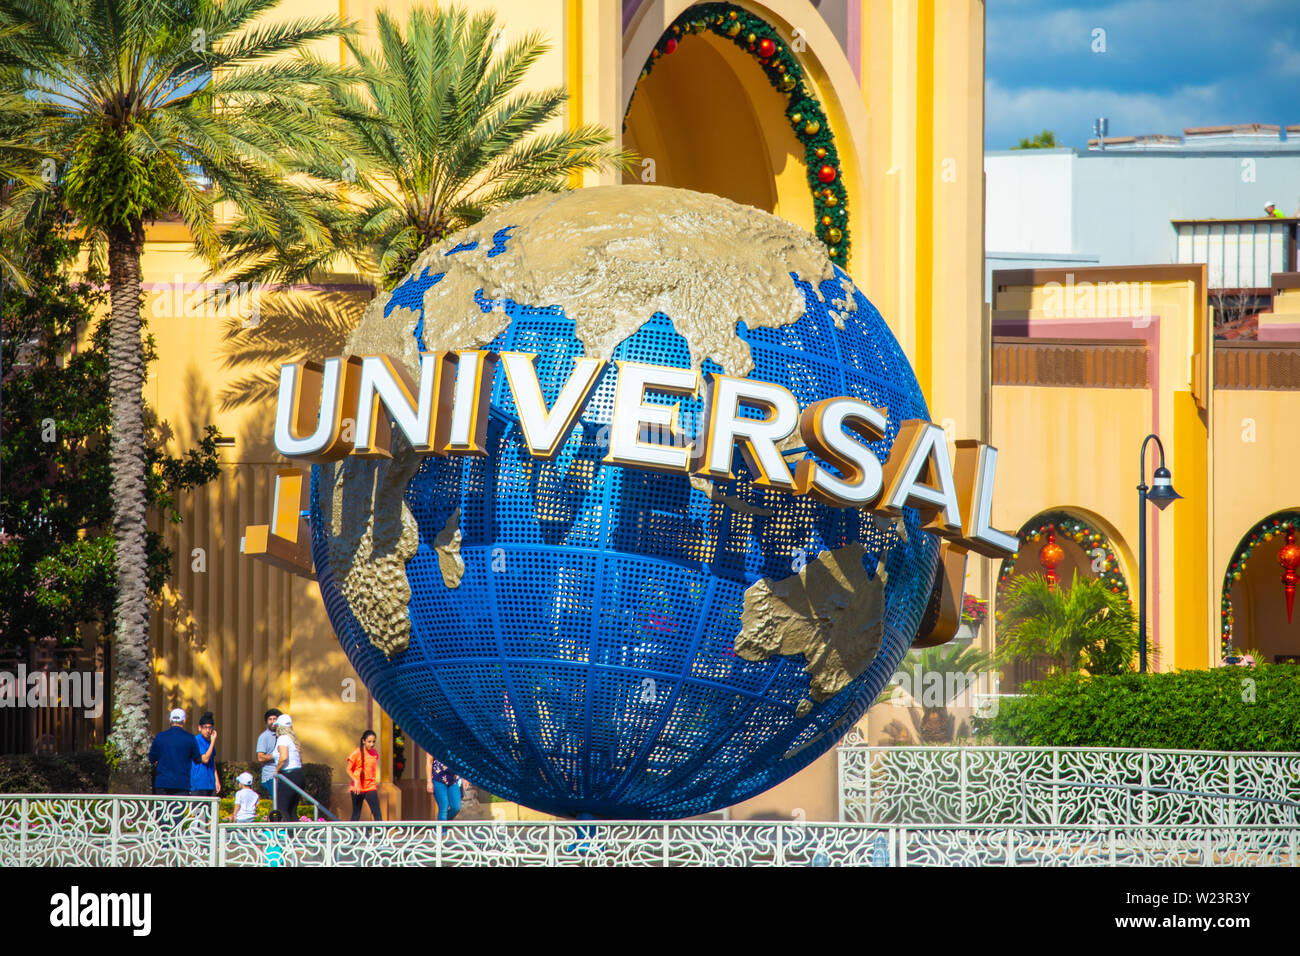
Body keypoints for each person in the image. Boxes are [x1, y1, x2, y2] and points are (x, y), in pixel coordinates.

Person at [148, 708, 202, 795]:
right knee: (179, 808)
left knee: (162, 808)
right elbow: (197, 759)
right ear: (184, 720)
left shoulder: (160, 737)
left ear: (170, 720)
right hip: (182, 784)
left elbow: (151, 758)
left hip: (162, 783)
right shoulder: (190, 738)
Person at [272, 713, 306, 820]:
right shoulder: (292, 740)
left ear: (279, 727)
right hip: (298, 774)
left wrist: (276, 771)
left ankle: (286, 834)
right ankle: (293, 834)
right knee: (292, 809)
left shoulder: (283, 739)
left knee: (282, 808)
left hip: (288, 775)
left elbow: (284, 757)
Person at [346, 729, 382, 821]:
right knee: (356, 814)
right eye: (369, 742)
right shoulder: (356, 753)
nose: (372, 744)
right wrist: (356, 781)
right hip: (357, 788)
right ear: (363, 741)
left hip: (370, 787)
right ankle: (352, 834)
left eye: (373, 742)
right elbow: (348, 769)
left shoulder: (375, 753)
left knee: (377, 814)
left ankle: (381, 835)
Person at [190, 711, 221, 797]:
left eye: (210, 727)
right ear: (200, 728)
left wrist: (216, 780)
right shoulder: (196, 740)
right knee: (198, 810)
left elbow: (212, 762)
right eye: (205, 727)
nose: (208, 730)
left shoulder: (210, 742)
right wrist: (213, 741)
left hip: (210, 783)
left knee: (211, 809)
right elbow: (205, 759)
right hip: (199, 784)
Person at [256, 708, 282, 802]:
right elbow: (260, 757)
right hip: (270, 776)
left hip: (282, 775)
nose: (272, 722)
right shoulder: (264, 737)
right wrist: (275, 756)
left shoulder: (282, 736)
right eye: (270, 719)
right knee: (277, 802)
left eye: (274, 719)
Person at [426, 754, 461, 821]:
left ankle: (441, 823)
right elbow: (429, 762)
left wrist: (465, 778)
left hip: (453, 780)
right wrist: (429, 782)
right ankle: (442, 830)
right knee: (443, 805)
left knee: (456, 807)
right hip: (438, 778)